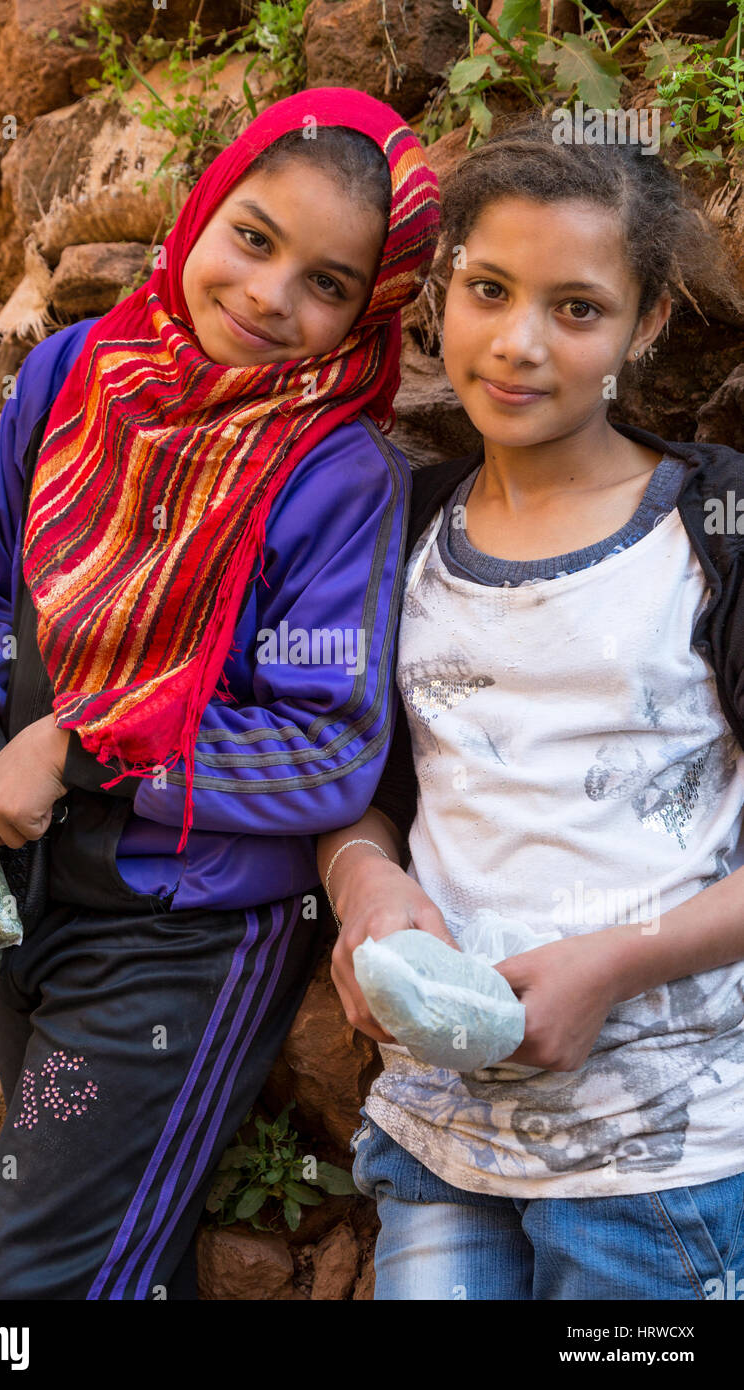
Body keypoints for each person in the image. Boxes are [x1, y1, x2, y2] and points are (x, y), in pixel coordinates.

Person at [0, 86, 440, 1300]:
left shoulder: (334, 475)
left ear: (372, 311)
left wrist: (79, 747)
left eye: (328, 284)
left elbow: (326, 745)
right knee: (110, 1263)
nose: (268, 296)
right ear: (200, 210)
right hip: (26, 901)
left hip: (177, 942)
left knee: (24, 1295)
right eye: (252, 237)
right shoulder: (73, 373)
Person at [318, 109, 744, 1301]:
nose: (517, 344)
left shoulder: (710, 530)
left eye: (576, 308)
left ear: (644, 324)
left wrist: (614, 963)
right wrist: (365, 887)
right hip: (437, 1139)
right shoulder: (392, 529)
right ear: (440, 286)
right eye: (489, 289)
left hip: (665, 1162)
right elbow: (350, 783)